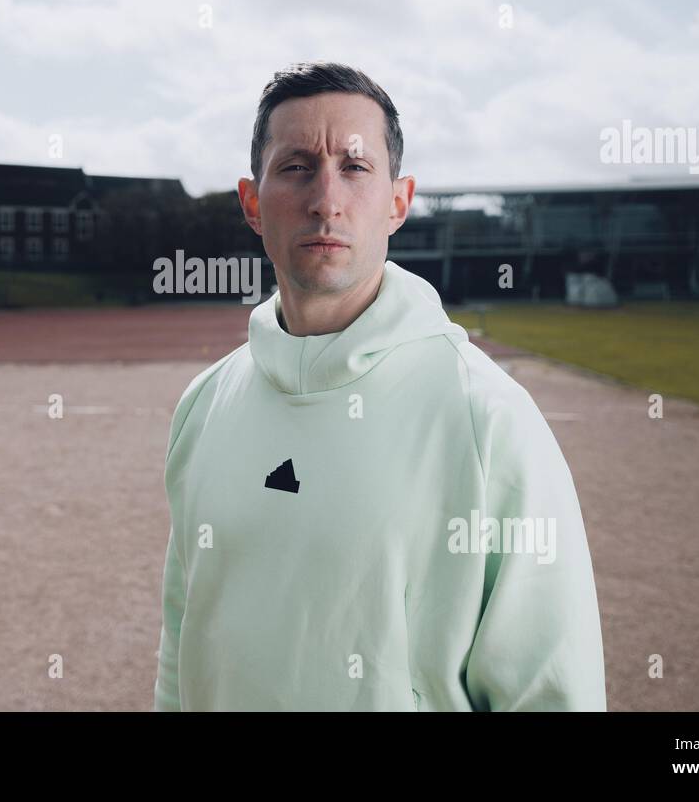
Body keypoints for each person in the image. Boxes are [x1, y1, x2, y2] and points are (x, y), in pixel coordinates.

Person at [152, 61, 607, 711]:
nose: (326, 200)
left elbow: (551, 694)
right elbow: (182, 640)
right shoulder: (205, 404)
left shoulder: (488, 418)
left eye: (356, 167)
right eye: (297, 167)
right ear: (252, 203)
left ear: (399, 201)